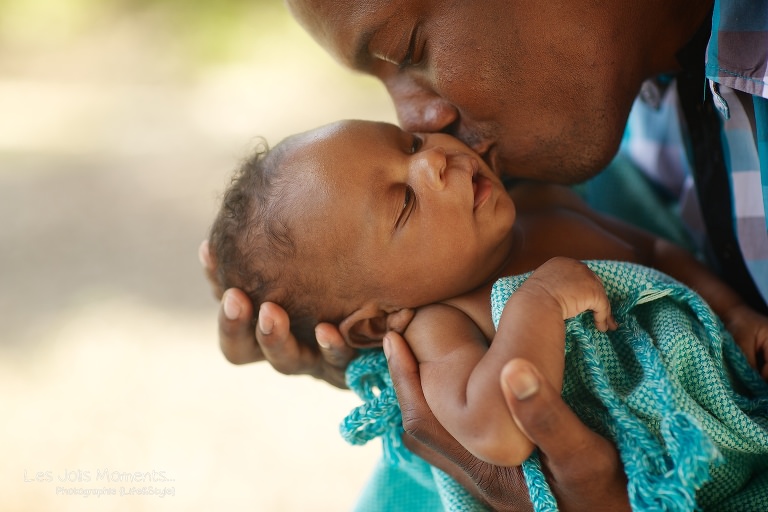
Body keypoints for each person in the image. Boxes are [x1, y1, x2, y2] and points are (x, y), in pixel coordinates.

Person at [200, 0, 768, 509]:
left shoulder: (549, 201)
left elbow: (656, 252)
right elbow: (494, 432)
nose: (425, 134)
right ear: (376, 321)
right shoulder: (444, 326)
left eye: (410, 49)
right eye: (403, 204)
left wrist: (736, 315)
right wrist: (536, 304)